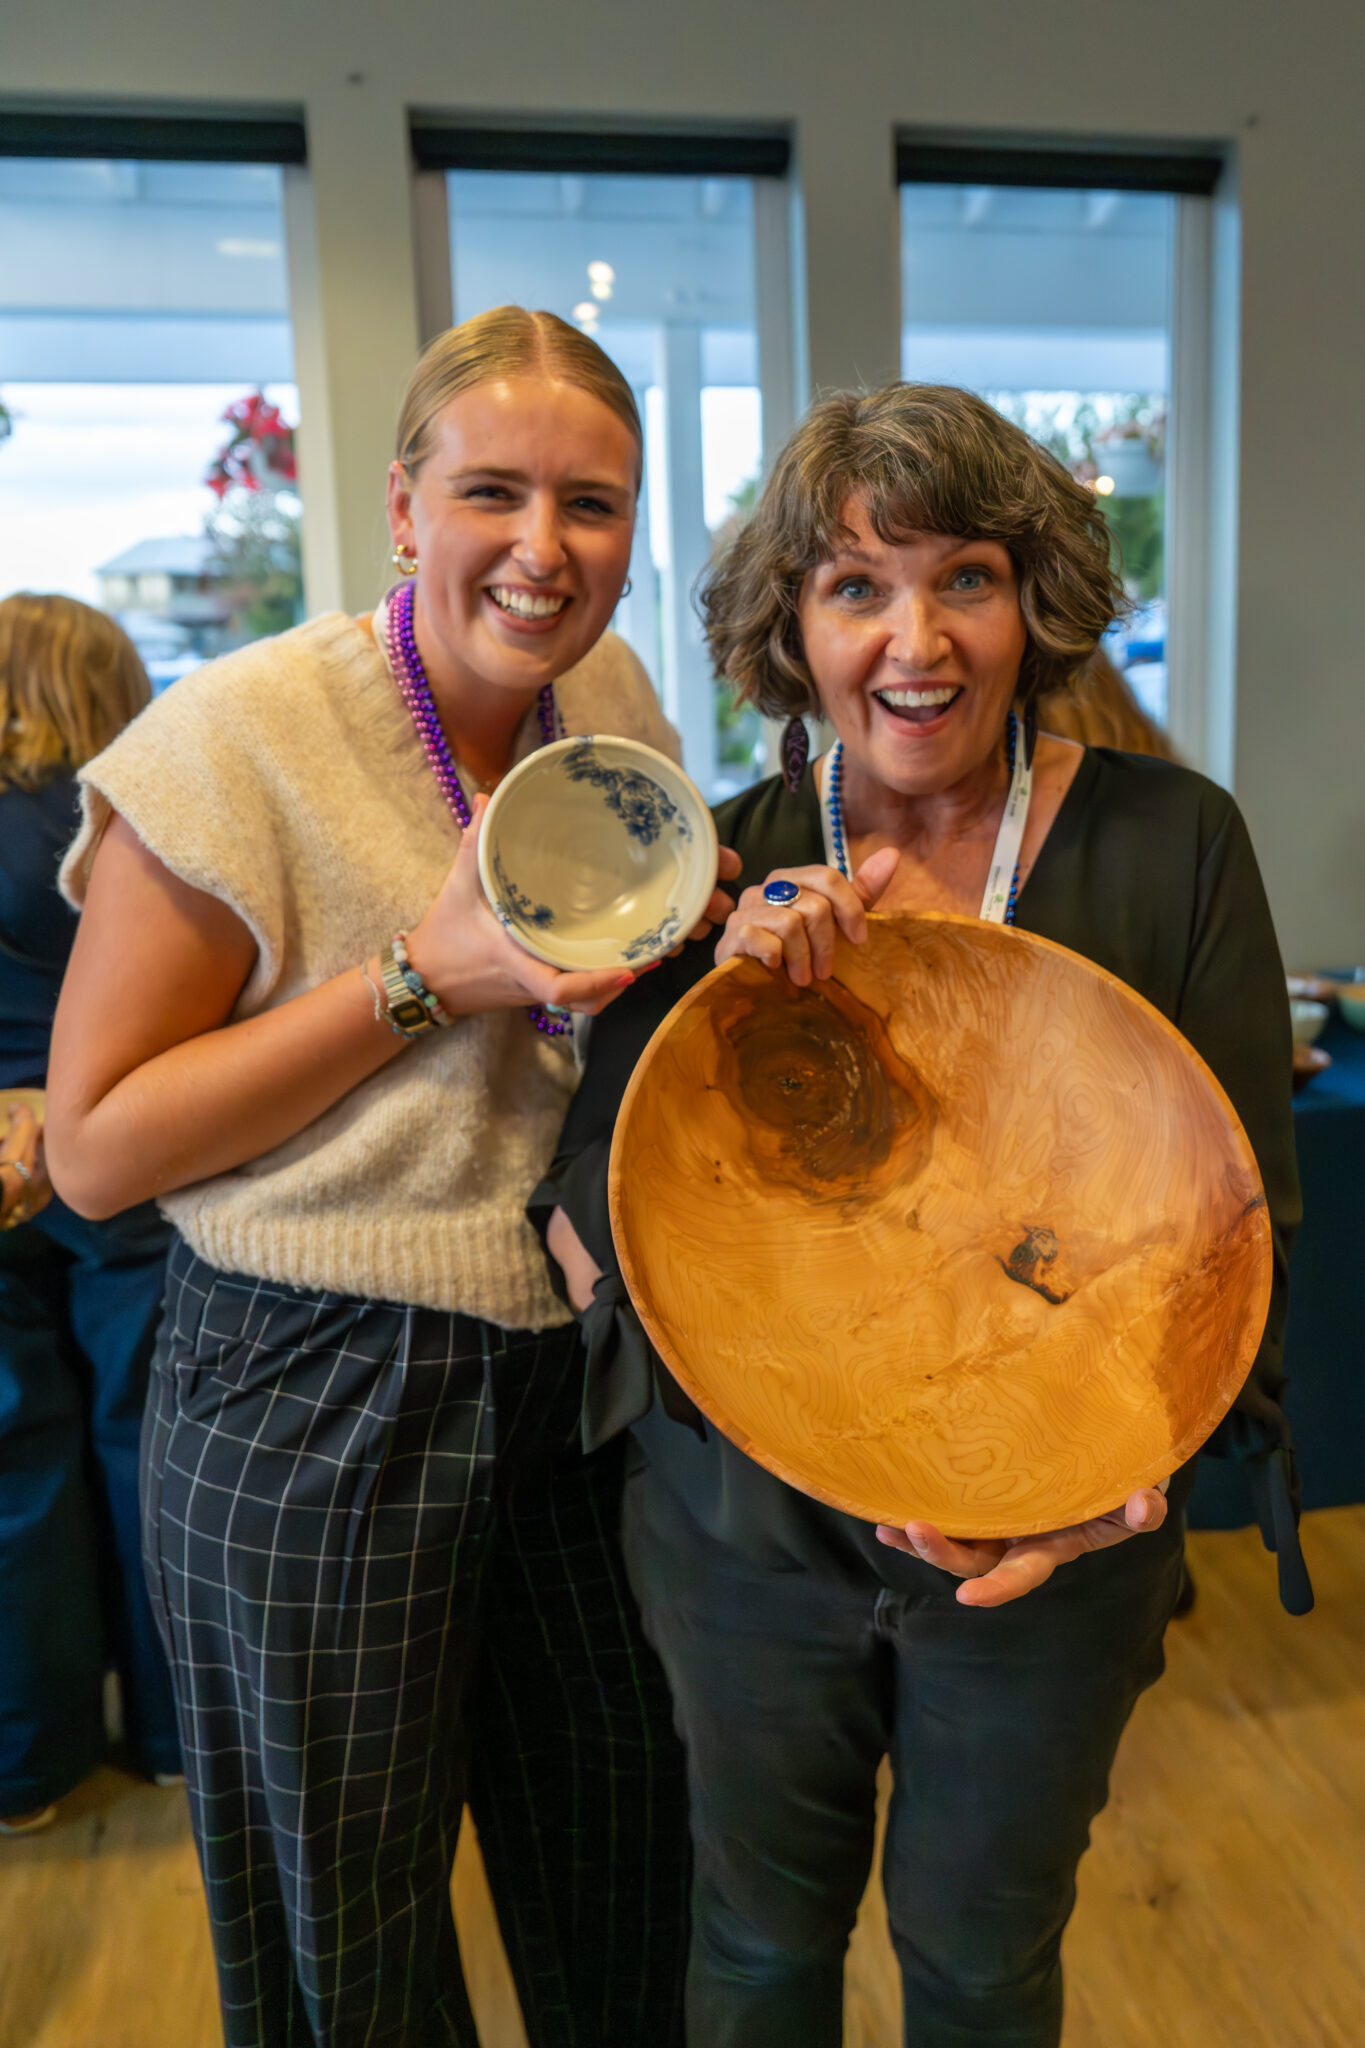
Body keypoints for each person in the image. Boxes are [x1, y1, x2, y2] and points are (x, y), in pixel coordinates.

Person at [535, 382, 1306, 2047]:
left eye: (966, 577)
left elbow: (1245, 1223)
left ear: (1035, 603)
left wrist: (1089, 1508)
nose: (918, 640)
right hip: (747, 1534)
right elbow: (582, 1216)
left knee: (980, 1955)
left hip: (1047, 1537)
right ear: (790, 627)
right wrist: (712, 1021)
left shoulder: (1171, 841)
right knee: (757, 1940)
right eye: (855, 587)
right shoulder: (712, 871)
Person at [45, 308, 732, 2048]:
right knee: (346, 1943)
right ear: (404, 507)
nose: (543, 547)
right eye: (493, 491)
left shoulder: (611, 703)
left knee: (630, 1870)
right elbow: (95, 1147)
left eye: (592, 503)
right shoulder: (233, 740)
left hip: (575, 1371)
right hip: (308, 1385)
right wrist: (419, 980)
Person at [0, 593, 180, 1837]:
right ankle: (173, 1735)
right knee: (144, 1446)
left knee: (14, 1462)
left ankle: (29, 1768)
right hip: (119, 1163)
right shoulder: (130, 821)